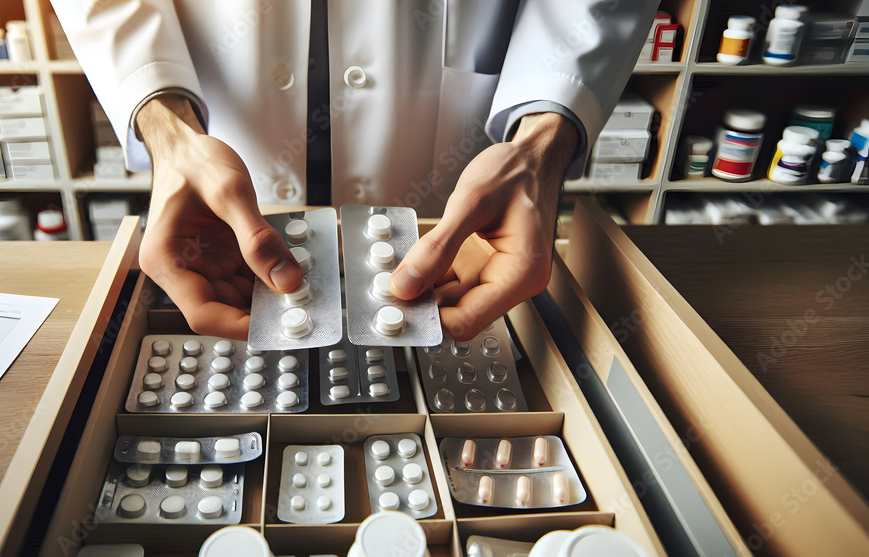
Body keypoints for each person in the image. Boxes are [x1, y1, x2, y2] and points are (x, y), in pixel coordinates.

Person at [52, 0, 659, 340]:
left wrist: (538, 147)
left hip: (443, 151)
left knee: (434, 309)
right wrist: (172, 134)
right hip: (230, 109)